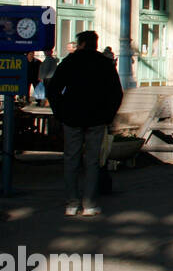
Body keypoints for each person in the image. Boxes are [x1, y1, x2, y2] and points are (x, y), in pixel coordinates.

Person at [47, 31, 123, 216]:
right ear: (96, 44)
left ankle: (72, 203)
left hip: (72, 117)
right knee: (92, 161)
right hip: (96, 119)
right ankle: (89, 203)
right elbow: (116, 93)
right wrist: (108, 116)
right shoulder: (105, 63)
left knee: (71, 159)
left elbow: (54, 89)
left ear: (80, 44)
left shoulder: (70, 62)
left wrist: (60, 112)